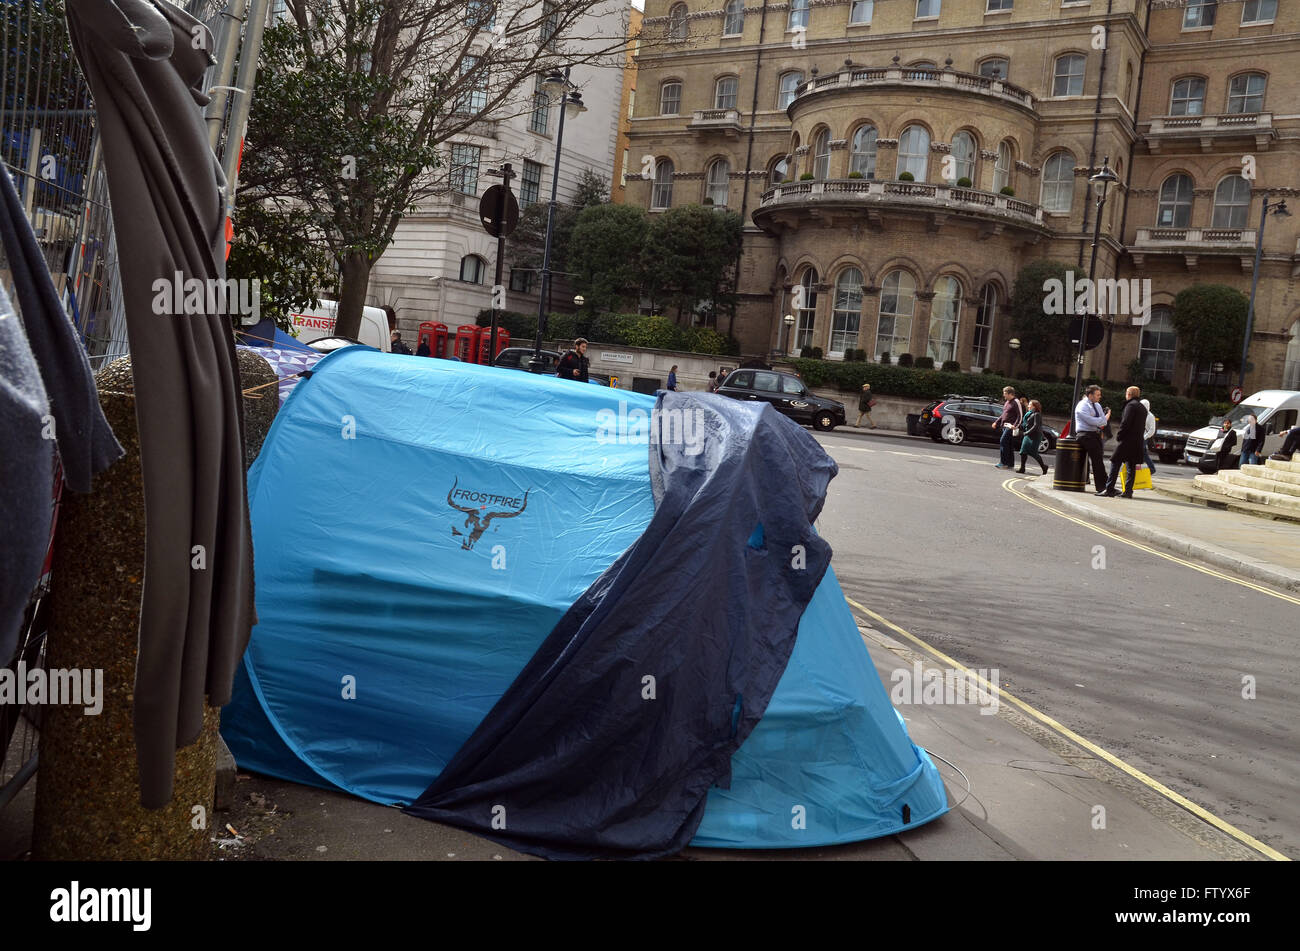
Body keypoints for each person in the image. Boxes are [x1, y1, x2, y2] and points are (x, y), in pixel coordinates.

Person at [1099, 386, 1148, 498]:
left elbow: (1125, 423)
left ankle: (1109, 488)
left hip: (1127, 440)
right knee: (1131, 467)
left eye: (1126, 393)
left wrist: (1119, 436)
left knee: (1115, 462)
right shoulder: (1142, 407)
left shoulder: (1130, 406)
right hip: (1137, 441)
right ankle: (1128, 491)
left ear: (1129, 394)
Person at [1074, 384, 1111, 493]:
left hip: (1095, 434)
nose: (1100, 397)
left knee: (1098, 460)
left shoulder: (1098, 405)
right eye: (1098, 395)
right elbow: (1091, 420)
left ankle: (1105, 487)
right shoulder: (1082, 405)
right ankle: (1102, 488)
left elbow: (1103, 421)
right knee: (1097, 461)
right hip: (1085, 435)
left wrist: (1100, 420)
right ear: (1090, 395)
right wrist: (1100, 420)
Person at [991, 386, 1022, 469]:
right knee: (1009, 445)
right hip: (1004, 426)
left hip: (1010, 427)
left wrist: (1014, 426)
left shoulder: (1016, 401)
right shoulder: (1007, 402)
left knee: (1003, 441)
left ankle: (1003, 463)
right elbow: (1003, 414)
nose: (1003, 396)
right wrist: (996, 422)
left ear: (1010, 394)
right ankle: (1010, 464)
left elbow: (1020, 415)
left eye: (1005, 394)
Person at [1016, 399, 1049, 475]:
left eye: (1030, 404)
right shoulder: (1029, 413)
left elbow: (1035, 426)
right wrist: (1016, 427)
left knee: (1033, 453)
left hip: (1035, 436)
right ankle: (1022, 468)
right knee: (1023, 452)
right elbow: (1025, 424)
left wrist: (1027, 432)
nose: (1028, 406)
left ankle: (1044, 467)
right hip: (1028, 435)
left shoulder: (1037, 414)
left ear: (1034, 406)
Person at [1140, 398, 1158, 475]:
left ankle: (1151, 469)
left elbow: (1152, 430)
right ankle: (1151, 469)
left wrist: (1144, 437)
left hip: (1143, 438)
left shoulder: (1150, 416)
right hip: (1138, 437)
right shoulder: (1139, 414)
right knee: (1143, 454)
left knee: (1141, 454)